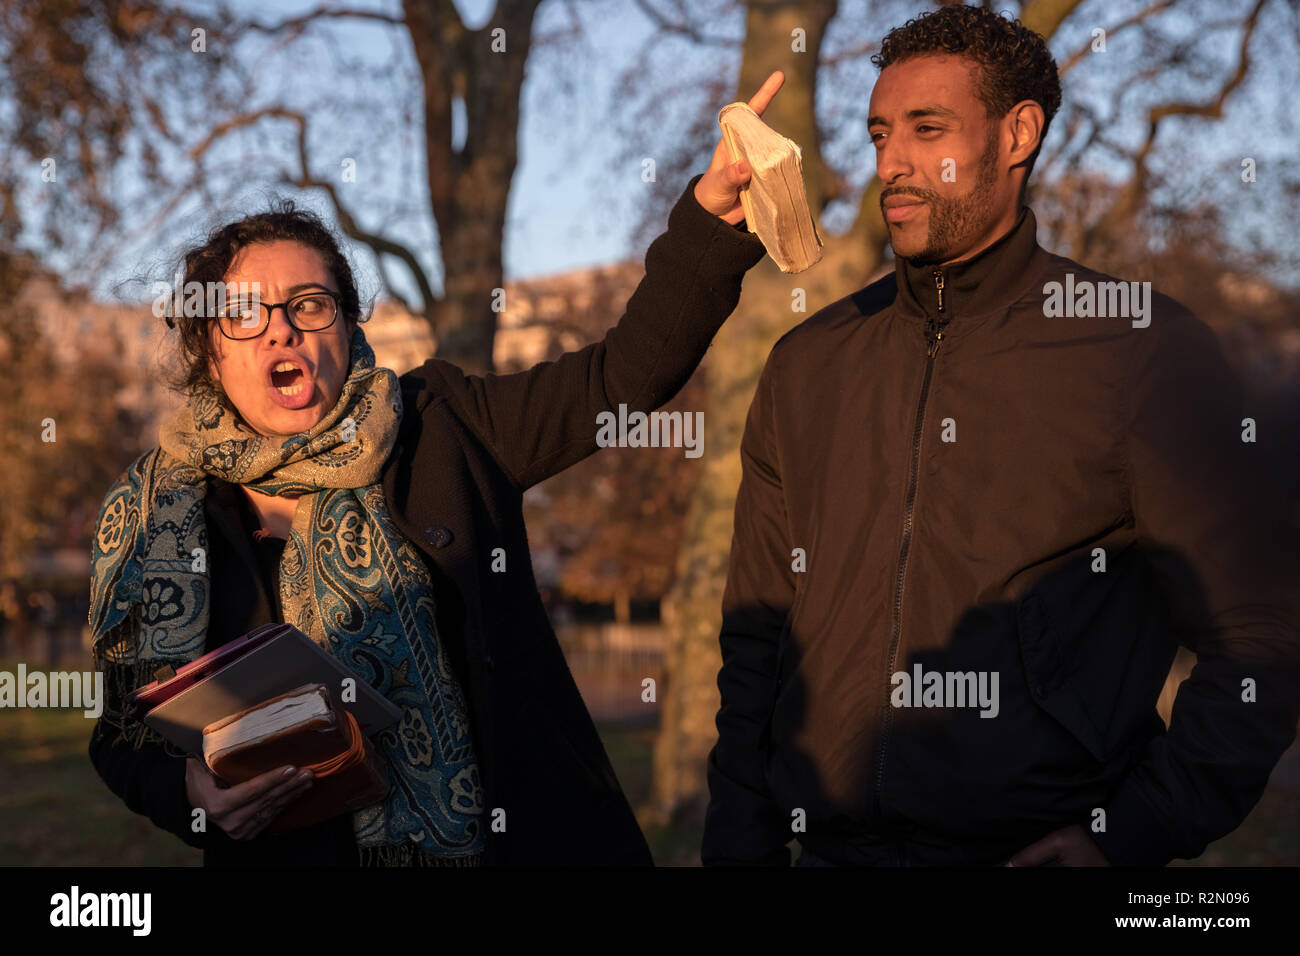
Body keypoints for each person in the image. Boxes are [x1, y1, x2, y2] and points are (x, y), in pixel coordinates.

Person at [88, 71, 783, 866]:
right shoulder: (160, 510)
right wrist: (191, 796)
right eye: (245, 315)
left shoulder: (444, 426)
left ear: (347, 328)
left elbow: (620, 379)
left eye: (309, 304)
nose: (281, 331)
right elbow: (122, 734)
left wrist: (709, 224)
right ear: (210, 354)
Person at [701, 5, 1300, 868]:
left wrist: (1130, 834)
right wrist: (737, 845)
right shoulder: (808, 363)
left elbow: (1262, 633)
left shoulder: (1140, 352)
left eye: (926, 129)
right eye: (878, 133)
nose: (891, 162)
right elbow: (756, 639)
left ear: (1017, 134)